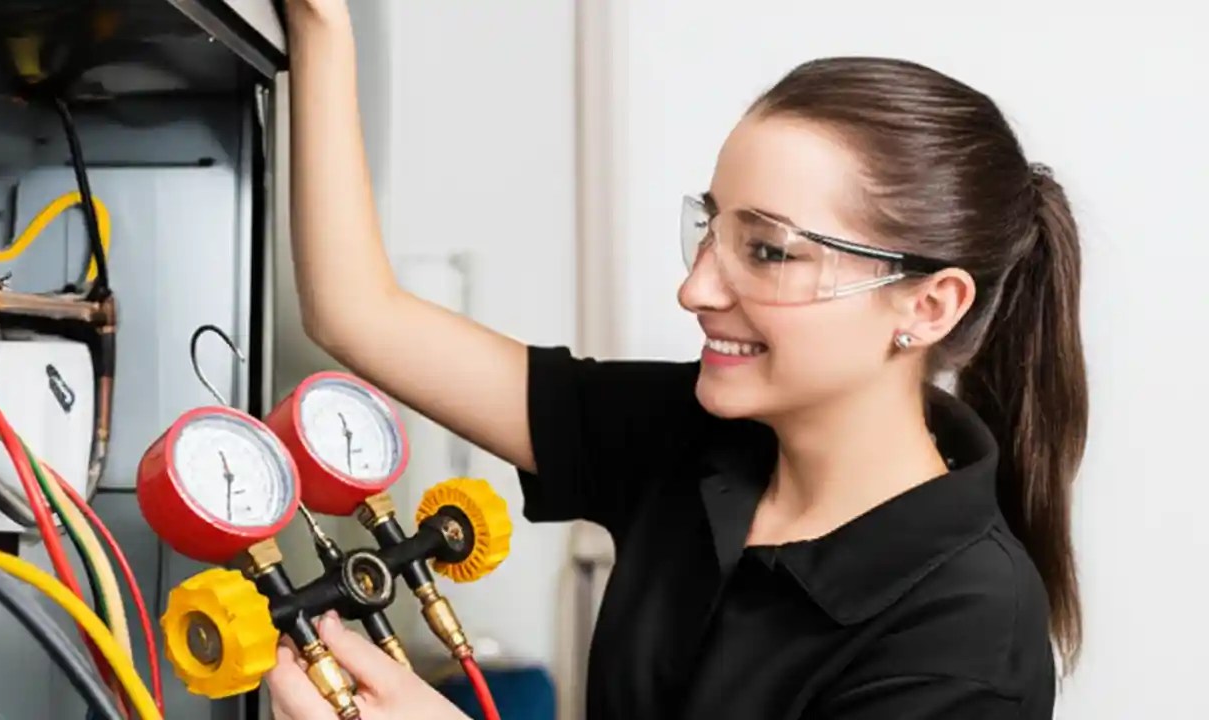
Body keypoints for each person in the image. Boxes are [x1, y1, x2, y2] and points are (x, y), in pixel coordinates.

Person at [270, 0, 1088, 718]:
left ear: (927, 305)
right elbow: (358, 316)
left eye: (767, 252)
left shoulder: (971, 637)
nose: (695, 289)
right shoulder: (697, 437)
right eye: (713, 227)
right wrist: (322, 22)